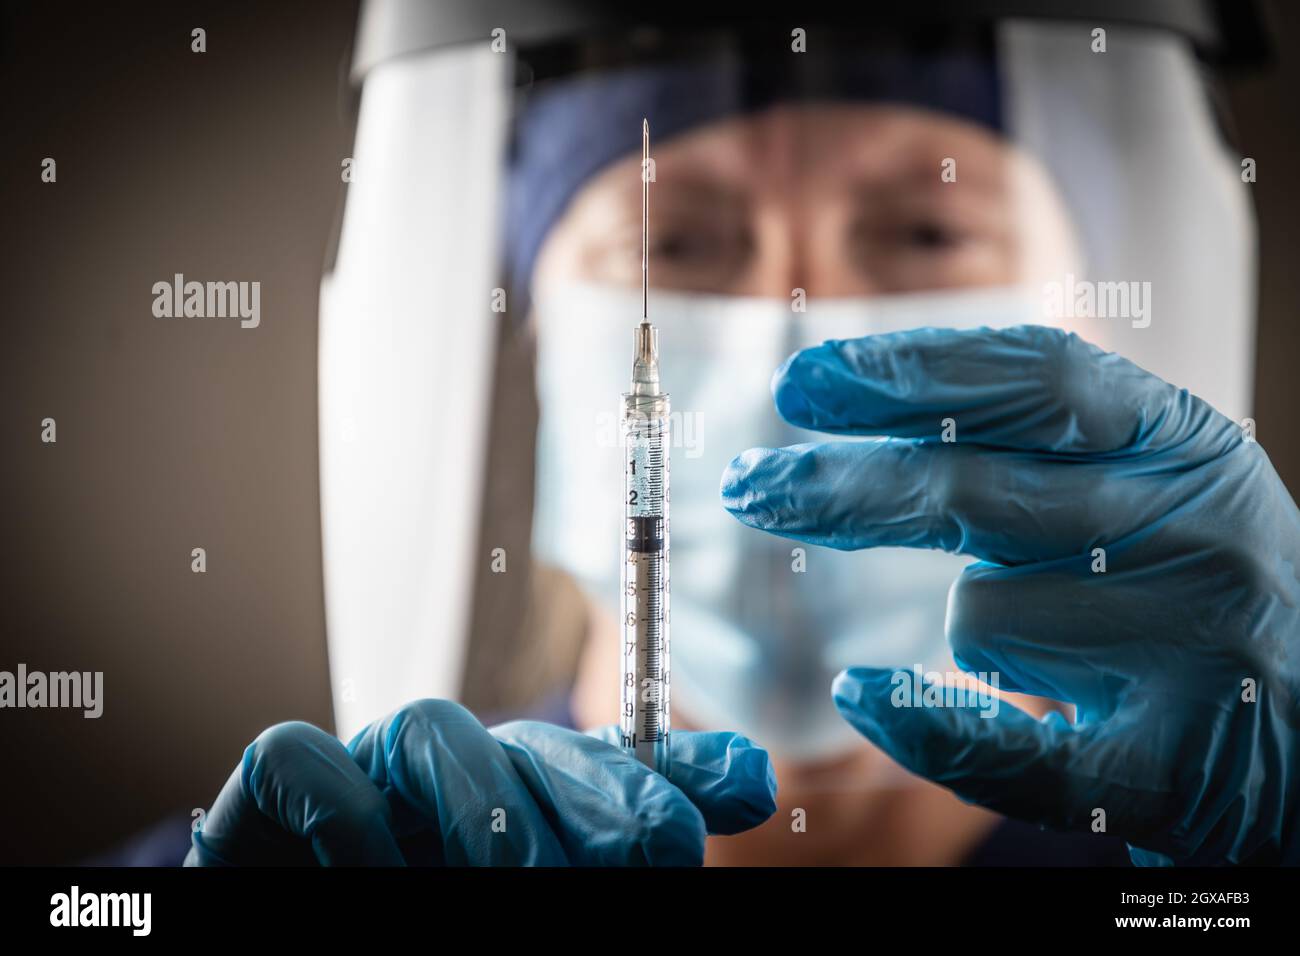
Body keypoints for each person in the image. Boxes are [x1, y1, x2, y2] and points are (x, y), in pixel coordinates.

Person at [183, 2, 1298, 866]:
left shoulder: (1216, 859)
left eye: (924, 230)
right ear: (536, 330)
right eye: (673, 243)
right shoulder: (335, 855)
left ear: (1092, 321)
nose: (786, 339)